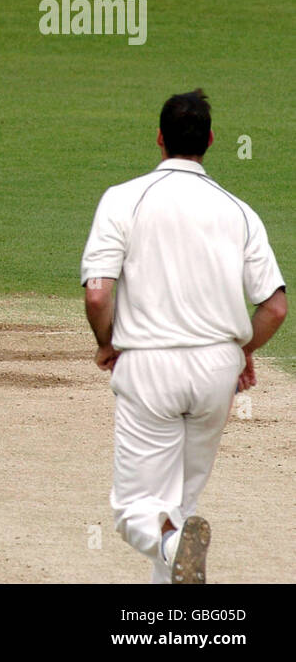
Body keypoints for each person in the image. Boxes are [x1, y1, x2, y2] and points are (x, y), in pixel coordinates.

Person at [81, 89, 286, 583]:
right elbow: (275, 306)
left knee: (136, 515)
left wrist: (107, 342)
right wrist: (240, 350)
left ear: (159, 138)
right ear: (211, 140)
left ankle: (172, 543)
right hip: (218, 371)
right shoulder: (239, 211)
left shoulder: (124, 199)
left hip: (149, 364)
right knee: (178, 506)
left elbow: (97, 294)